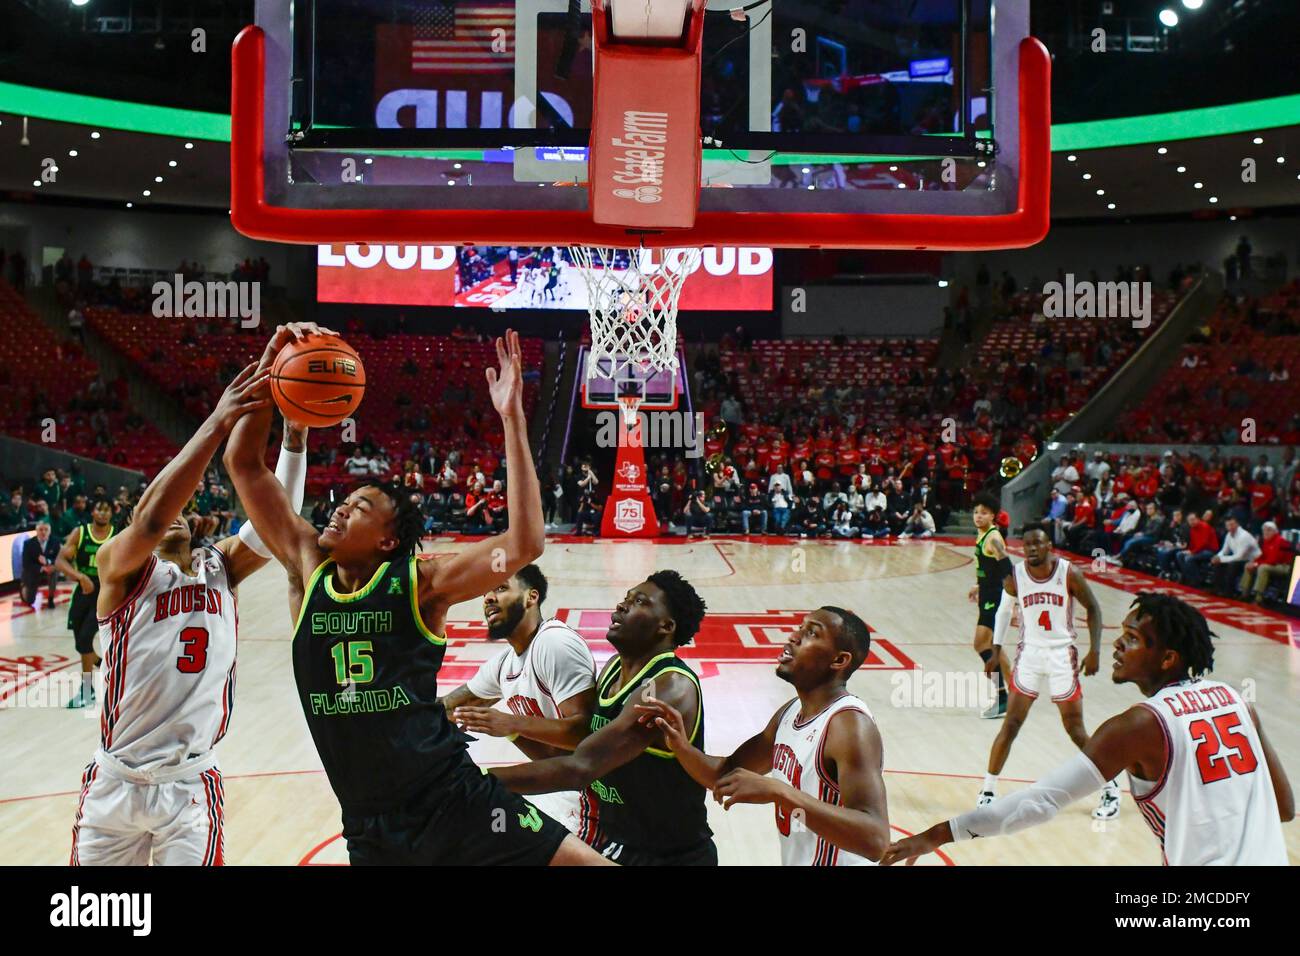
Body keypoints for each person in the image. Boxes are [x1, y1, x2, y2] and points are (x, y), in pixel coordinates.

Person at [223, 328, 605, 865]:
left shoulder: (420, 582)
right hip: (368, 822)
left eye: (357, 506)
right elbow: (243, 464)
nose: (337, 509)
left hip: (451, 797)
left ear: (387, 539)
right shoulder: (307, 568)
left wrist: (513, 418)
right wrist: (276, 371)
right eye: (342, 500)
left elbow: (524, 543)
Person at [70, 336, 308, 866]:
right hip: (116, 781)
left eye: (186, 505)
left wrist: (294, 435)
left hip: (189, 785)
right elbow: (151, 518)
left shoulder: (218, 566)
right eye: (162, 503)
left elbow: (280, 523)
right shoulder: (123, 567)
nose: (175, 512)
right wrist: (219, 421)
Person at [883, 593, 1294, 866]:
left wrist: (939, 833)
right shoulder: (1238, 702)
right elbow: (1285, 807)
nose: (1117, 644)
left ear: (1168, 658)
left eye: (1132, 639)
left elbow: (1039, 802)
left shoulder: (1140, 724)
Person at [487, 571, 715, 866]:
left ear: (666, 626)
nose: (622, 606)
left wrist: (476, 780)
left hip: (670, 857)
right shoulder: (612, 671)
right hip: (617, 844)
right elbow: (574, 748)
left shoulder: (668, 687)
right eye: (626, 598)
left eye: (640, 602)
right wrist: (512, 731)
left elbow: (580, 767)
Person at [635, 607, 889, 866]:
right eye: (799, 628)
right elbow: (724, 774)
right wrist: (680, 744)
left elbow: (875, 840)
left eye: (811, 633)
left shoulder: (849, 725)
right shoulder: (790, 713)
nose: (793, 637)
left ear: (839, 661)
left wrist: (779, 792)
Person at [441, 565, 601, 845]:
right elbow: (447, 708)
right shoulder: (506, 663)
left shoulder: (553, 643)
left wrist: (511, 723)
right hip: (563, 787)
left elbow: (585, 735)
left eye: (501, 588)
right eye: (486, 592)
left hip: (594, 799)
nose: (488, 597)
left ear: (531, 597)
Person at [979, 523, 1122, 820]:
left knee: (1074, 729)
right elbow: (1003, 611)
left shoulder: (1068, 572)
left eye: (1037, 543)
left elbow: (1094, 608)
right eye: (1027, 543)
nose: (1031, 548)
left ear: (1049, 547)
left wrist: (1095, 650)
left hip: (1061, 655)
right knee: (1011, 724)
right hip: (1029, 654)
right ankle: (988, 791)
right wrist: (995, 649)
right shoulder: (1016, 576)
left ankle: (1111, 787)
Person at [54, 496, 118, 709]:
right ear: (92, 512)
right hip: (83, 591)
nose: (103, 513)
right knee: (80, 643)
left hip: (105, 594)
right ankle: (104, 667)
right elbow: (60, 561)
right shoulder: (80, 533)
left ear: (111, 513)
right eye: (99, 509)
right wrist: (79, 576)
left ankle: (87, 688)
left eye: (106, 510)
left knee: (84, 639)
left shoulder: (116, 535)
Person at [969, 493, 1011, 719]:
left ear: (993, 516)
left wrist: (1015, 603)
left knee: (981, 644)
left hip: (995, 598)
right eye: (976, 512)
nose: (978, 516)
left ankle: (1002, 696)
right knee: (996, 647)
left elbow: (1007, 570)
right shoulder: (983, 534)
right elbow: (989, 567)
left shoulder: (993, 539)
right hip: (987, 594)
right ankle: (1015, 692)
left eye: (984, 512)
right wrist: (978, 584)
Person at [1240, 522, 1295, 603]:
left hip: (1285, 566)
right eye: (1264, 530)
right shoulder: (1266, 541)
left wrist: (1256, 564)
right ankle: (1244, 593)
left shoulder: (1279, 541)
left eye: (1269, 530)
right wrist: (1253, 563)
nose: (1266, 532)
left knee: (1263, 568)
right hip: (1272, 564)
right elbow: (1260, 556)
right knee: (1248, 565)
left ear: (1275, 531)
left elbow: (1273, 560)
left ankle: (1258, 597)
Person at [20, 521, 60, 609]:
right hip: (34, 569)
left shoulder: (55, 541)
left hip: (49, 568)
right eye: (41, 529)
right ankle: (24, 586)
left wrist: (48, 562)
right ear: (36, 531)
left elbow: (59, 559)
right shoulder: (28, 544)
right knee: (29, 600)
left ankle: (51, 598)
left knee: (54, 572)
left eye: (46, 530)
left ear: (50, 531)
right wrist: (41, 568)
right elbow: (26, 563)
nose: (43, 532)